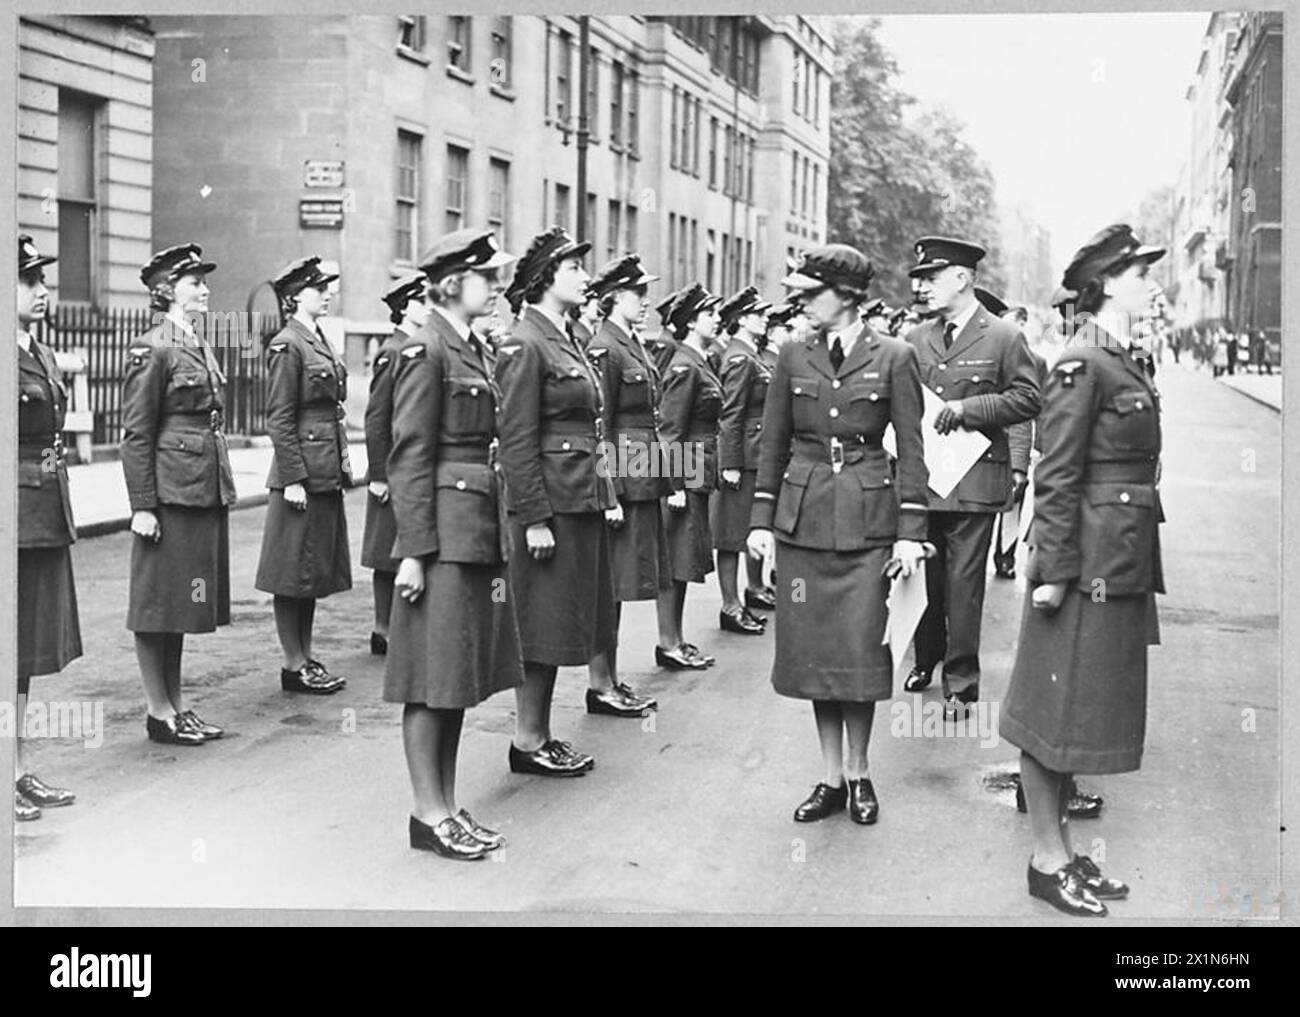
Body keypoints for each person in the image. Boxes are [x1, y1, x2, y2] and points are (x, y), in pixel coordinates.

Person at [1001, 224, 1166, 917]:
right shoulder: (1082, 361)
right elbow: (1057, 473)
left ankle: (1066, 853)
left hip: (1118, 559)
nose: (1154, 286)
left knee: (1080, 709)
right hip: (1084, 565)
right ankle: (1046, 859)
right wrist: (1053, 572)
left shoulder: (1120, 357)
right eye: (1141, 275)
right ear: (1106, 286)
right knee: (1051, 710)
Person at [748, 244, 929, 824]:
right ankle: (829, 777)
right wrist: (760, 524)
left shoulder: (895, 356)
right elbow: (772, 443)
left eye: (811, 291)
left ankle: (860, 772)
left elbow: (913, 448)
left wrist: (909, 531)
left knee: (858, 653)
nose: (800, 300)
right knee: (815, 656)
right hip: (803, 525)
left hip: (867, 523)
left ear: (847, 295)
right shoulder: (791, 353)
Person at [385, 228, 522, 860]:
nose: (495, 287)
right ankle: (426, 812)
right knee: (431, 678)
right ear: (451, 282)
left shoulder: (471, 347)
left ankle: (445, 805)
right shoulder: (425, 350)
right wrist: (412, 549)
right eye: (486, 277)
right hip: (440, 536)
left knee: (458, 678)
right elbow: (409, 456)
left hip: (474, 529)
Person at [902, 237, 1041, 720]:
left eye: (930, 278)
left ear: (961, 279)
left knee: (964, 587)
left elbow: (1027, 399)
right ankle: (926, 658)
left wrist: (969, 410)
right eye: (919, 279)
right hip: (925, 480)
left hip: (974, 481)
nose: (922, 288)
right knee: (927, 579)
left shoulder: (1003, 336)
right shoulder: (916, 338)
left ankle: (960, 682)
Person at [496, 227, 616, 776]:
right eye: (574, 268)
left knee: (563, 621)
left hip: (579, 498)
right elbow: (516, 437)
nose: (585, 277)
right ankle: (527, 740)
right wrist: (534, 518)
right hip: (552, 507)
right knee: (541, 624)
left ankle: (540, 733)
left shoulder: (563, 336)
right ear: (546, 278)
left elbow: (591, 426)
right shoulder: (526, 341)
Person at [121, 243, 235, 746]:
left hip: (198, 486)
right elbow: (136, 433)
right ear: (166, 290)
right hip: (169, 491)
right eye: (194, 282)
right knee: (157, 604)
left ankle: (176, 705)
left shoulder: (195, 342)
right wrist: (143, 505)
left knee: (182, 604)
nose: (205, 289)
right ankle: (157, 709)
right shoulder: (155, 346)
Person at [254, 257, 352, 694]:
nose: (327, 294)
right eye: (318, 288)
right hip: (301, 475)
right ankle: (294, 663)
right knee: (291, 572)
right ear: (295, 296)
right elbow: (279, 415)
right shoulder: (287, 343)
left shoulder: (318, 339)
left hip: (323, 469)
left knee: (310, 571)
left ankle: (306, 658)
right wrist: (293, 477)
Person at [14, 235, 82, 819]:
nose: (43, 291)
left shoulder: (37, 350)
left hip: (40, 511)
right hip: (13, 515)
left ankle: (16, 768)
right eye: (30, 281)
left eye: (43, 281)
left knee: (25, 651)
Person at [582, 254, 667, 717]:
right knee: (609, 587)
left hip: (642, 476)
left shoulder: (631, 342)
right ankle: (600, 684)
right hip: (621, 481)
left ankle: (611, 678)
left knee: (620, 584)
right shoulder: (605, 346)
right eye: (638, 294)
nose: (646, 303)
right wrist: (607, 490)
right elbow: (601, 423)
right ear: (614, 297)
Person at [655, 283, 725, 670]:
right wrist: (675, 484)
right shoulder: (684, 365)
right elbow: (670, 430)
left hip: (699, 468)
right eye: (709, 313)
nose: (717, 319)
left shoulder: (699, 360)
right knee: (676, 559)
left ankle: (676, 639)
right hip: (686, 471)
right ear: (692, 322)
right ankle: (668, 642)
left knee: (685, 560)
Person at [361, 276, 429, 657]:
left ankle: (398, 626)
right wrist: (378, 474)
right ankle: (383, 628)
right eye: (422, 301)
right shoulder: (393, 351)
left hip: (407, 465)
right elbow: (377, 417)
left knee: (403, 547)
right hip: (392, 468)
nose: (429, 306)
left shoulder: (414, 347)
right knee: (387, 552)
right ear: (406, 307)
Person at [712, 286, 774, 634]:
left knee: (746, 531)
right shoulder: (739, 357)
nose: (764, 320)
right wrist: (730, 463)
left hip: (757, 454)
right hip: (744, 458)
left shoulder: (752, 354)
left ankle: (746, 597)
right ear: (742, 320)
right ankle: (730, 605)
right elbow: (730, 414)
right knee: (731, 535)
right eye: (758, 315)